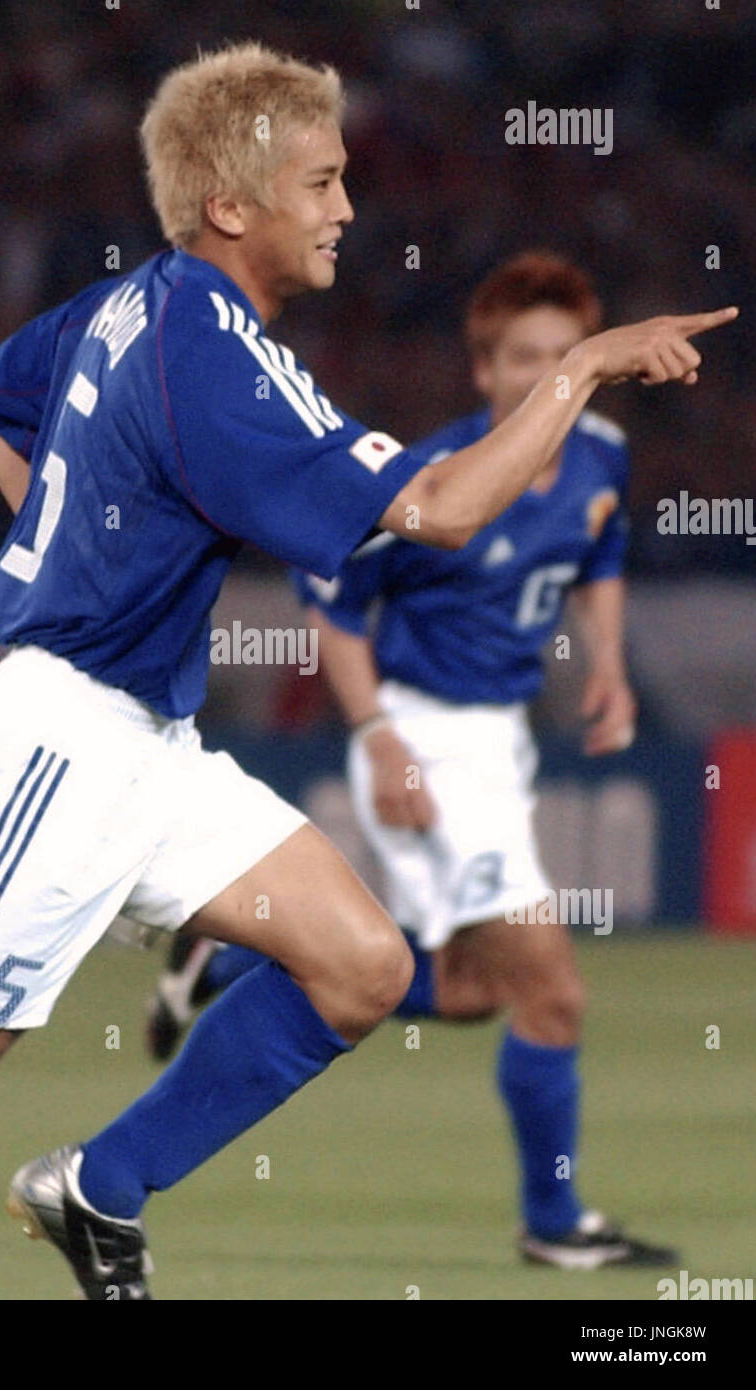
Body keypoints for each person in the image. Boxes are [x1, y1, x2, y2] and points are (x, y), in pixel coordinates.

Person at [0, 41, 735, 1301]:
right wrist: (580, 369)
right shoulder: (212, 352)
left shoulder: (136, 301)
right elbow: (442, 505)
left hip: (145, 744)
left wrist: (80, 545)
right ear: (232, 205)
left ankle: (97, 1185)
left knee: (361, 963)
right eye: (321, 183)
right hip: (55, 744)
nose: (346, 209)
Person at [147, 251, 675, 1269]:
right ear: (483, 371)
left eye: (564, 355)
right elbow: (331, 603)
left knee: (473, 992)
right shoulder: (437, 477)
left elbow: (599, 558)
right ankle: (554, 1225)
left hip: (502, 739)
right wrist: (379, 735)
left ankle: (241, 957)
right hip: (424, 737)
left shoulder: (600, 454)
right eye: (523, 357)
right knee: (551, 991)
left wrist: (605, 663)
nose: (545, 373)